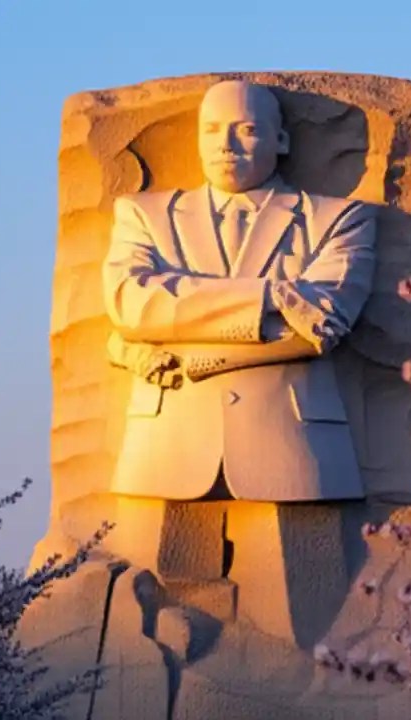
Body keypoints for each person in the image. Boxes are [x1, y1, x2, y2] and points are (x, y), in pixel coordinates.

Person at [101, 79, 377, 503]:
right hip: (166, 444)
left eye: (246, 129)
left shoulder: (339, 218)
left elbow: (325, 320)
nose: (225, 145)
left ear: (281, 140)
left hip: (297, 451)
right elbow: (131, 306)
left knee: (309, 566)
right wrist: (272, 296)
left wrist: (180, 330)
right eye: (211, 130)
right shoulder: (144, 215)